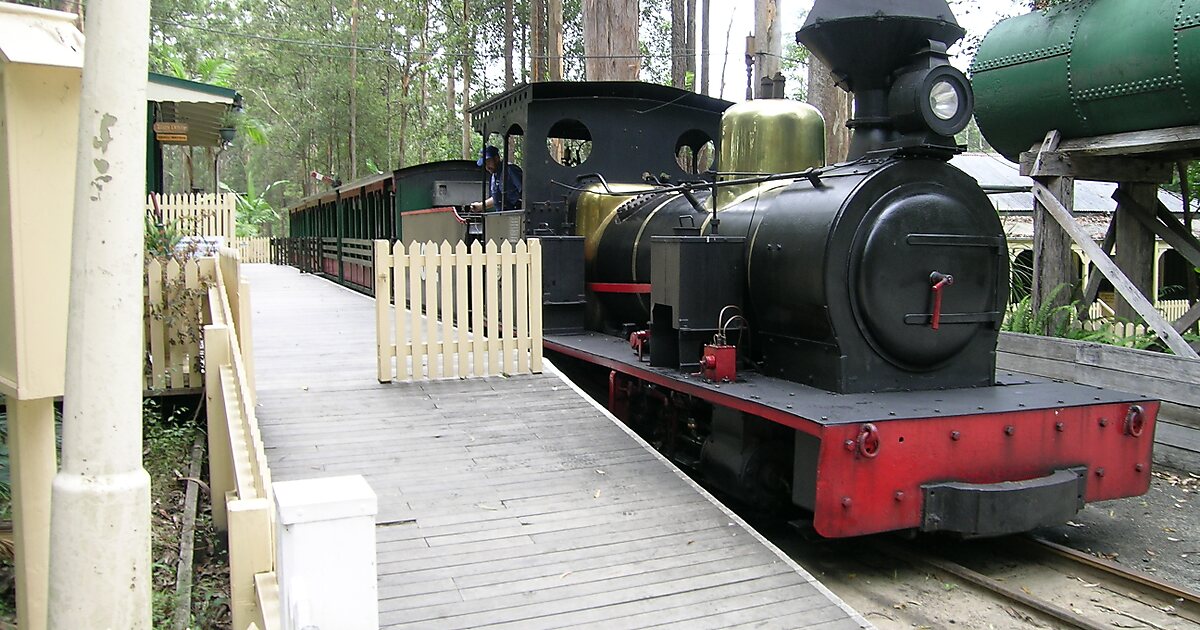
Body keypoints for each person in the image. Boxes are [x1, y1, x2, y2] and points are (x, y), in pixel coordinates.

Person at [469, 145, 523, 212]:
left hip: (515, 213)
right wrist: (480, 206)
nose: (487, 167)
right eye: (485, 164)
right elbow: (496, 198)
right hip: (500, 215)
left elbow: (525, 192)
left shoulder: (510, 170)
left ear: (496, 158)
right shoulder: (494, 176)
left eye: (488, 162)